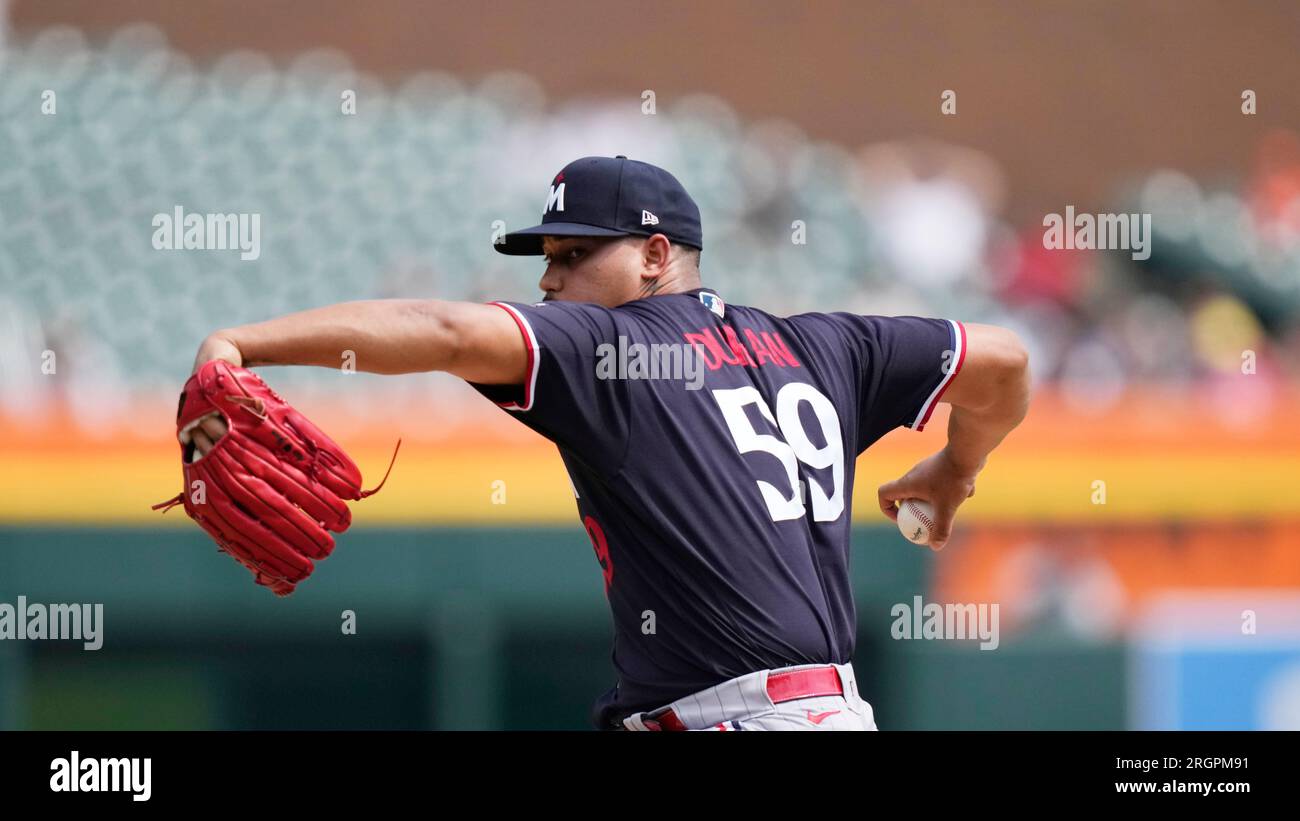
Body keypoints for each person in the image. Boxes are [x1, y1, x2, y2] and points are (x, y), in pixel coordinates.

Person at [188, 155, 1031, 730]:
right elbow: (1006, 360)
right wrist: (958, 467)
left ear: (656, 255)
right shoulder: (829, 345)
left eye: (574, 254)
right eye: (547, 257)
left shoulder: (612, 350)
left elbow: (442, 329)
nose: (550, 279)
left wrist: (242, 342)